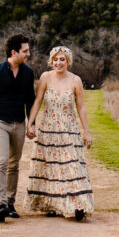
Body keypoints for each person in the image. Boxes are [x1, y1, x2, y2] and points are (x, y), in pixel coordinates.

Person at [26, 45, 94, 221]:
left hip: (68, 130)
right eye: (55, 59)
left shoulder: (75, 80)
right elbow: (38, 101)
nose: (58, 62)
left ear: (68, 61)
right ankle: (52, 204)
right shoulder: (45, 78)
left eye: (62, 59)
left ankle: (79, 205)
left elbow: (81, 107)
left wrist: (87, 131)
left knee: (73, 167)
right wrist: (30, 123)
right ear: (51, 61)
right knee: (51, 168)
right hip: (48, 129)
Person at [0, 33, 36, 223]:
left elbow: (30, 101)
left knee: (14, 163)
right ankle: (0, 204)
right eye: (25, 51)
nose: (28, 54)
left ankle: (10, 203)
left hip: (19, 123)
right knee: (1, 160)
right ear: (14, 52)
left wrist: (31, 124)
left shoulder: (28, 73)